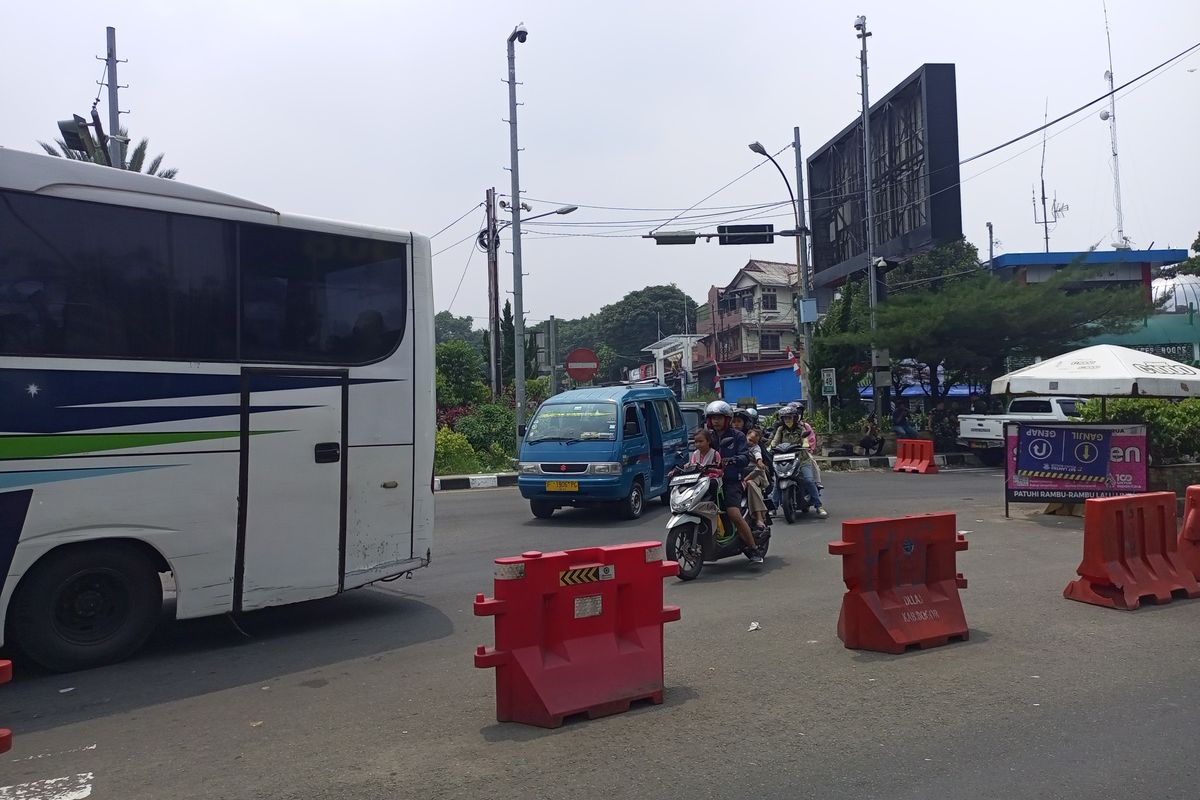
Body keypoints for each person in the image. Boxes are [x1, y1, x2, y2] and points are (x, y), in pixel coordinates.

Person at [704, 400, 763, 563]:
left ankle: (753, 548)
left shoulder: (737, 436)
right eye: (713, 418)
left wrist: (734, 460)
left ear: (727, 419)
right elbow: (698, 450)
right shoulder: (708, 436)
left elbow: (745, 456)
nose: (715, 421)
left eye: (719, 418)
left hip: (731, 482)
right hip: (710, 481)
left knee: (733, 514)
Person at [769, 404, 828, 518]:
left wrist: (805, 444)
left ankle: (818, 506)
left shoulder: (801, 429)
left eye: (790, 417)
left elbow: (805, 439)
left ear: (795, 418)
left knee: (809, 481)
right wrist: (770, 447)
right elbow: (775, 441)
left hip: (801, 459)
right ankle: (774, 507)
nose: (787, 420)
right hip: (784, 459)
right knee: (777, 481)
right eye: (785, 418)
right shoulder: (780, 430)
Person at [744, 428, 771, 531]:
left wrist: (759, 462)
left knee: (750, 484)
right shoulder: (739, 446)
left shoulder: (756, 448)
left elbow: (758, 455)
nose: (750, 443)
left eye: (753, 441)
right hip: (740, 474)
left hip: (756, 475)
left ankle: (759, 517)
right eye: (749, 440)